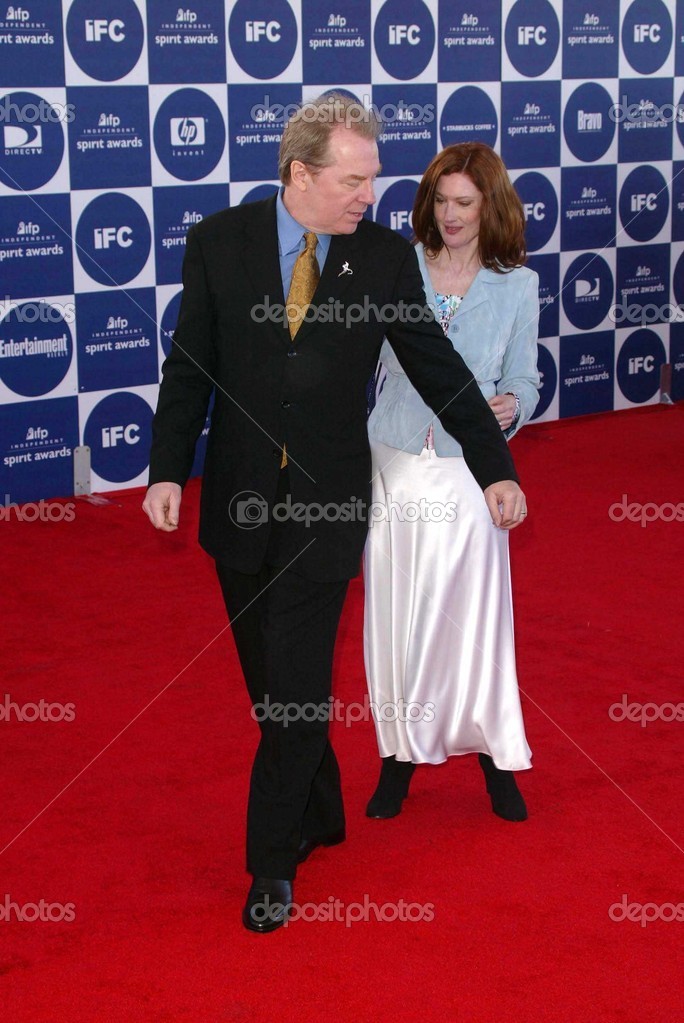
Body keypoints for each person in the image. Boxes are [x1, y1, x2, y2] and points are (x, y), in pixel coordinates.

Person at [142, 98, 527, 934]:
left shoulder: (383, 258)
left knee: (297, 692)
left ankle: (271, 862)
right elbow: (189, 365)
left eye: (372, 178)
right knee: (269, 687)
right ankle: (320, 808)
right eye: (353, 180)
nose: (370, 194)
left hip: (326, 507)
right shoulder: (220, 242)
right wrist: (166, 469)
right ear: (300, 175)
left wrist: (495, 468)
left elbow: (438, 369)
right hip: (240, 506)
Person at [364, 142, 539, 823]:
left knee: (474, 617)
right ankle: (398, 755)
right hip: (397, 456)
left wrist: (515, 405)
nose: (451, 215)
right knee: (397, 613)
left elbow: (523, 373)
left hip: (472, 465)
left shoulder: (516, 284)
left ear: (490, 206)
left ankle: (497, 754)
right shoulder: (396, 265)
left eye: (465, 202)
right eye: (440, 201)